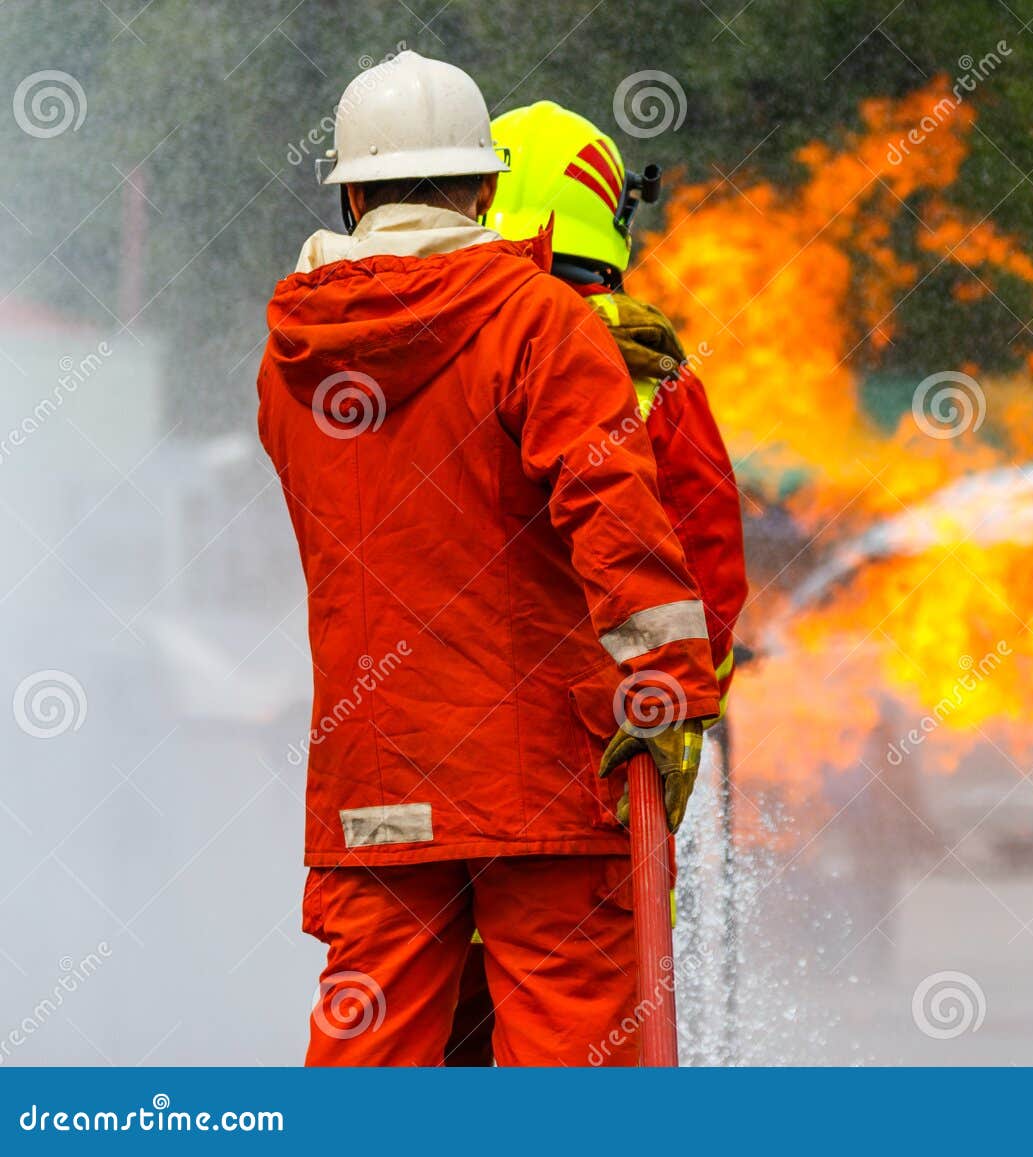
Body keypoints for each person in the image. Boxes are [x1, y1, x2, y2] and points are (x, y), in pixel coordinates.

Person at [256, 50, 720, 1067]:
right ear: (483, 186)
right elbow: (615, 510)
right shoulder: (537, 321)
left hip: (373, 770)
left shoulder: (290, 354)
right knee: (570, 1061)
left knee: (367, 1056)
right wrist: (669, 691)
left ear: (349, 186)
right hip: (541, 779)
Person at [442, 99, 749, 1066]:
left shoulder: (424, 352)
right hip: (590, 797)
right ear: (611, 219)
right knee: (584, 1058)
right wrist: (676, 718)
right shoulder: (656, 385)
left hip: (424, 799)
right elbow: (711, 595)